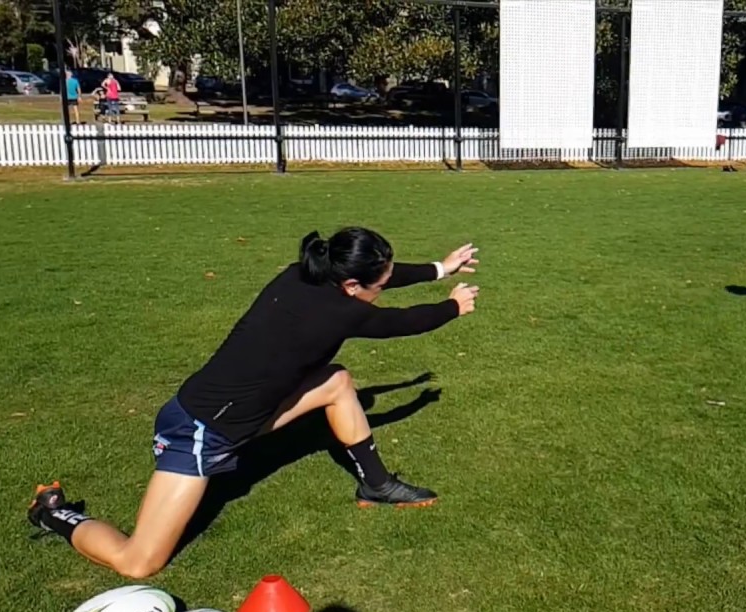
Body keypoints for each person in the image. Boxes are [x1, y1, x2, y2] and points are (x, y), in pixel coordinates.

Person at [27, 228, 481, 578]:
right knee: (138, 562)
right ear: (348, 286)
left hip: (245, 416)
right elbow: (402, 323)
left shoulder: (303, 273)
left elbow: (384, 276)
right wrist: (451, 307)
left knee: (336, 382)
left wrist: (440, 269)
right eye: (376, 284)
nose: (383, 285)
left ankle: (376, 486)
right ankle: (53, 514)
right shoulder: (341, 313)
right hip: (199, 431)